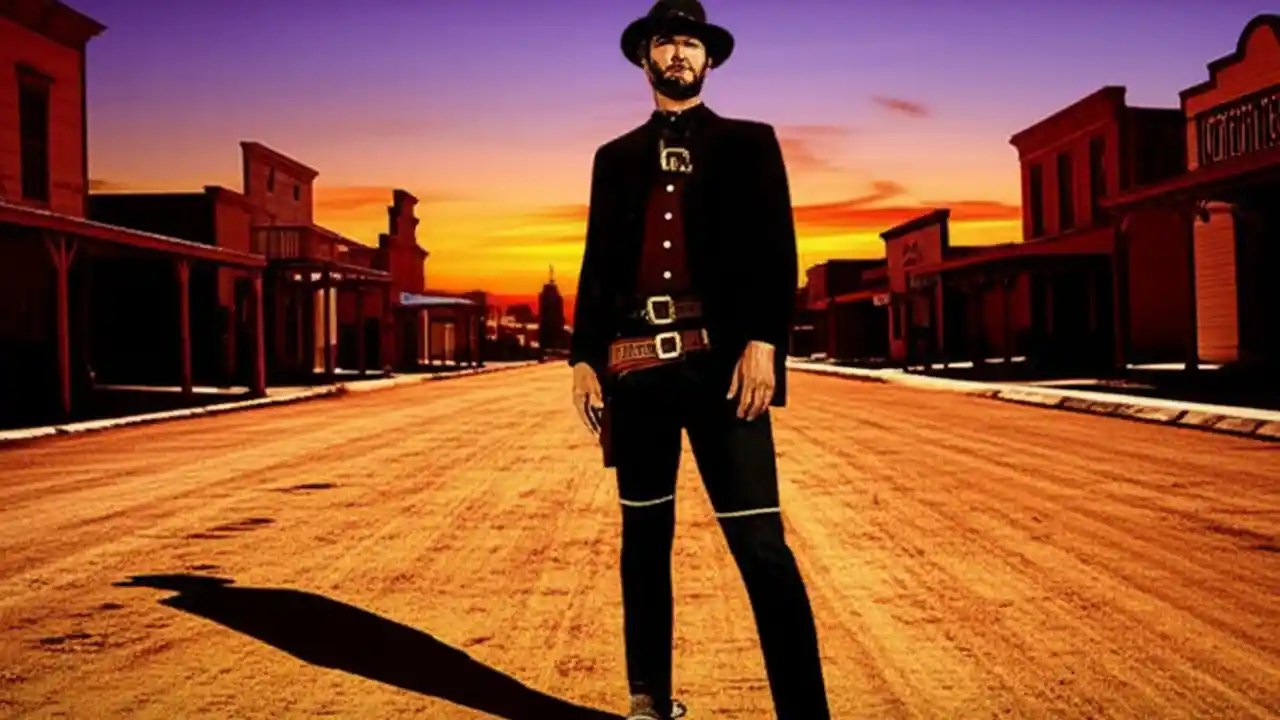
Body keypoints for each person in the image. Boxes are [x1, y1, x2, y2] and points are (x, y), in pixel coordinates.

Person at [568, 1, 831, 718]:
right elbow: (598, 262)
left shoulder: (751, 143)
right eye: (666, 43)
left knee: (762, 544)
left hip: (723, 370)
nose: (678, 54)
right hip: (637, 372)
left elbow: (777, 249)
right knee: (643, 541)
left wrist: (767, 342)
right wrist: (583, 356)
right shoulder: (613, 158)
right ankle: (648, 701)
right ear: (645, 58)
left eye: (690, 42)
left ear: (708, 58)